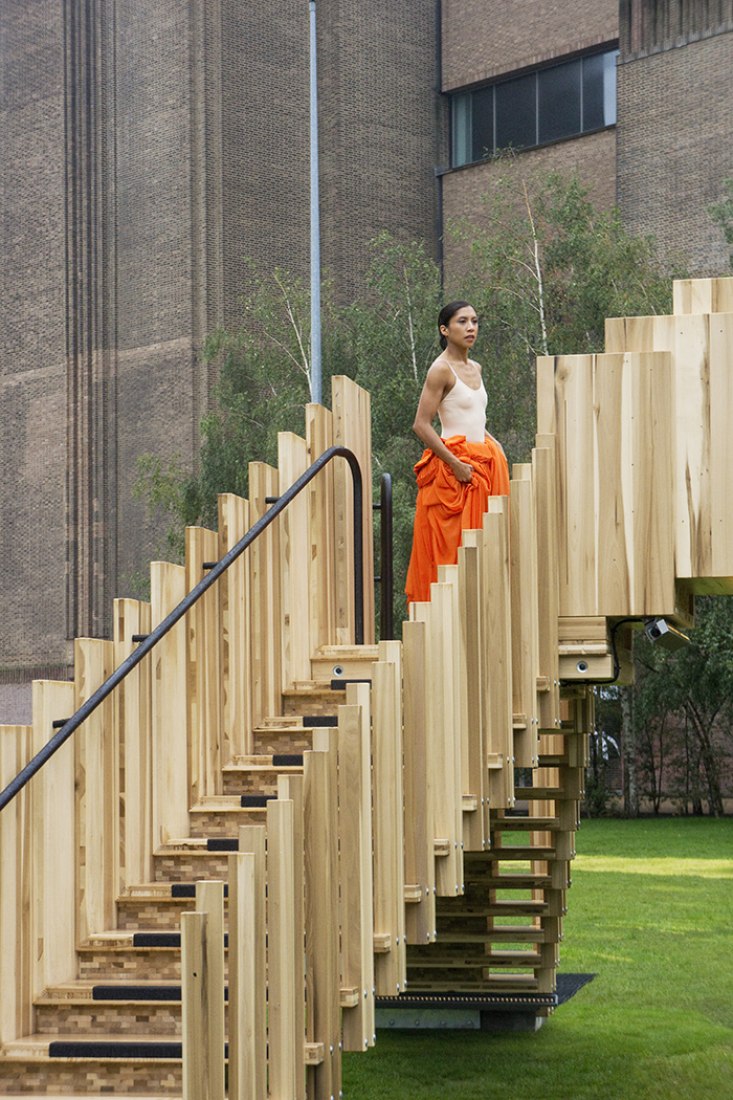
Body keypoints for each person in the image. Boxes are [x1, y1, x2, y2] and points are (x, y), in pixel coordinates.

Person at [405, 300, 510, 605]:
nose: (471, 327)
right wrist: (454, 464)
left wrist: (494, 440)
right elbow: (421, 425)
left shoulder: (476, 368)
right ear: (444, 329)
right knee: (452, 553)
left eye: (475, 321)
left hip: (484, 465)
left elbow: (473, 415)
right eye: (462, 322)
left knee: (484, 552)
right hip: (455, 472)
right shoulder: (440, 370)